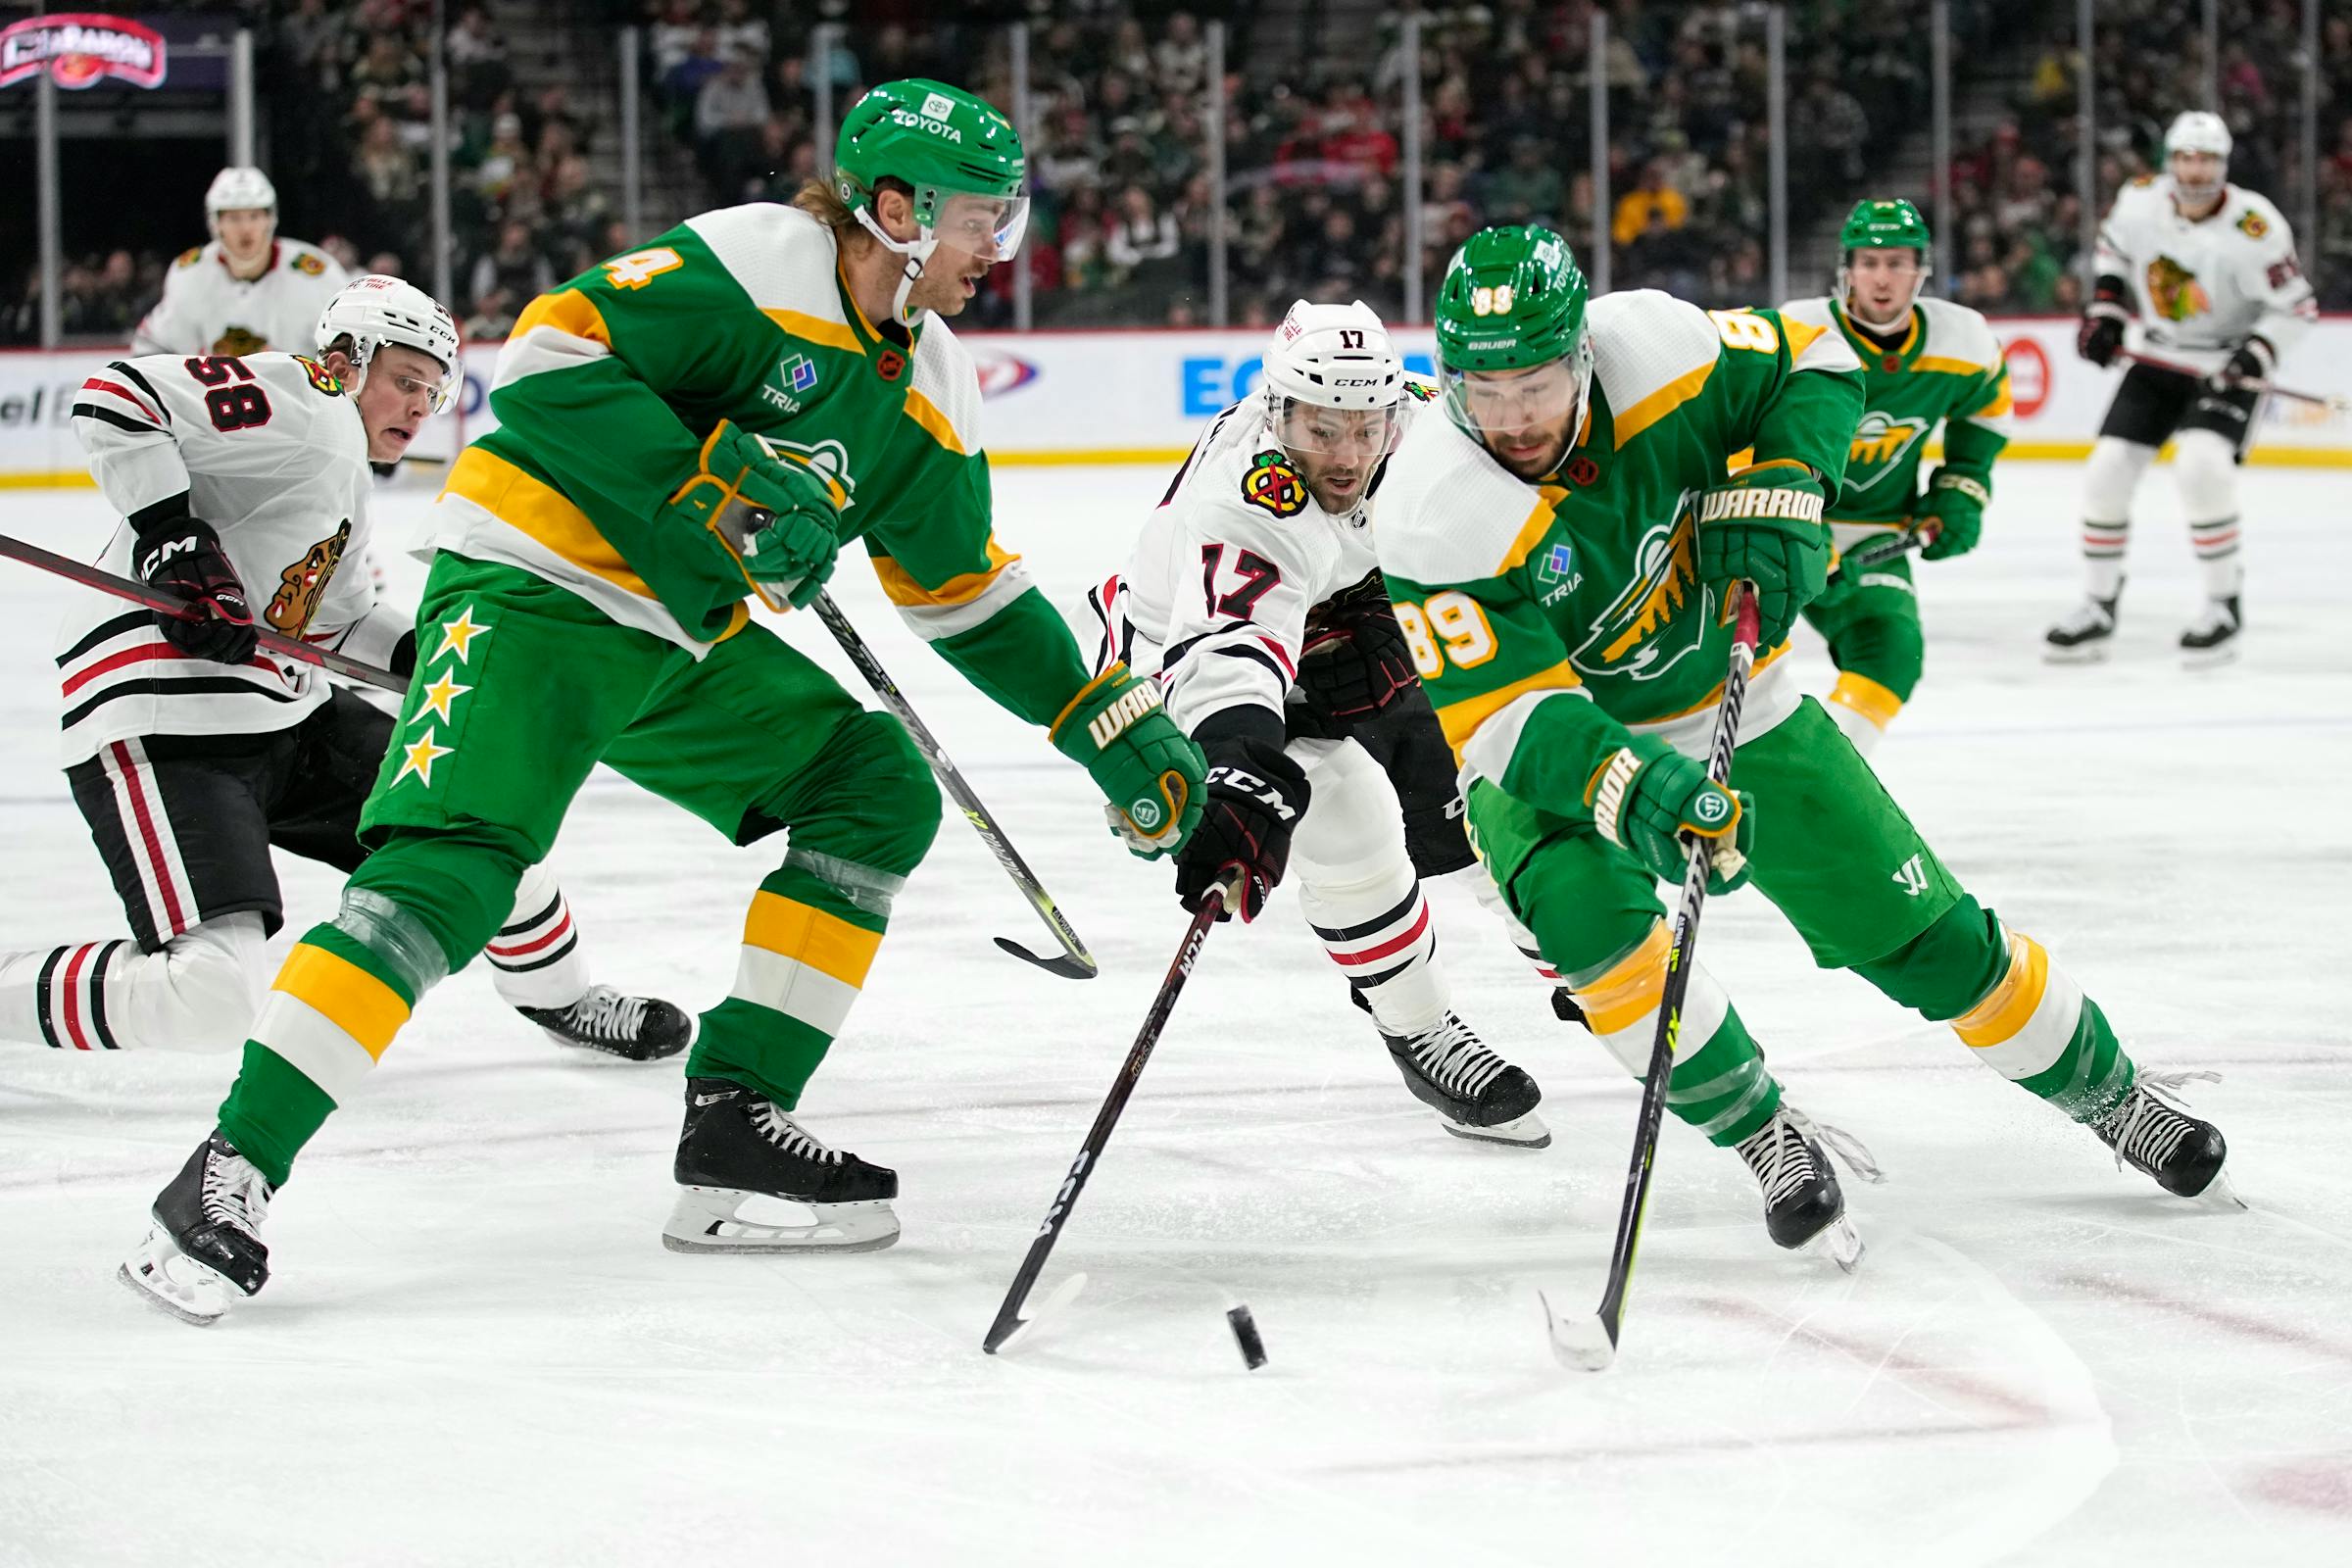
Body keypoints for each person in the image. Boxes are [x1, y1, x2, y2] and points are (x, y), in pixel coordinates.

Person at [120, 79, 1207, 1325]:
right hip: (533, 583)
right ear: (896, 210)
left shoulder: (932, 384)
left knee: (874, 783)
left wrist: (1106, 724)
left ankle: (736, 1120)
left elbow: (962, 590)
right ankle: (220, 1175)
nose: (998, 250)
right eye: (980, 220)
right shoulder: (764, 263)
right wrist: (718, 491)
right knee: (451, 875)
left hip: (676, 637)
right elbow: (548, 360)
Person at [1371, 224, 2234, 1265]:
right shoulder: (1429, 506)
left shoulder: (1660, 347)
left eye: (1537, 386)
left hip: (1739, 703)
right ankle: (1764, 1133)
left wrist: (1787, 480)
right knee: (1601, 939)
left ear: (1583, 355)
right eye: (1483, 389)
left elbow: (1819, 356)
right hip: (1553, 759)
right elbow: (1511, 717)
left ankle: (2112, 1092)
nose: (1510, 419)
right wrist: (1641, 792)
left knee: (1929, 937)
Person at [2, 275, 686, 1066]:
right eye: (405, 380)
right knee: (208, 995)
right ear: (348, 359)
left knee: (478, 831)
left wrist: (448, 661)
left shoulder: (338, 475)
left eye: (432, 392)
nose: (420, 407)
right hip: (169, 714)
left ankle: (562, 997)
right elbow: (118, 396)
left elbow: (338, 620)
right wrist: (174, 541)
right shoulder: (308, 397)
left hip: (289, 717)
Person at [1090, 299, 1554, 1148]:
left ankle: (1580, 950)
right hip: (1177, 649)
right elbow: (1228, 650)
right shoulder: (1249, 492)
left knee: (1477, 769)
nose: (1345, 457)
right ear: (1279, 415)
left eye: (1363, 430)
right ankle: (1417, 1025)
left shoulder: (1423, 425)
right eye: (1321, 431)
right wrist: (1237, 767)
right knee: (1344, 812)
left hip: (1340, 610)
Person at [2047, 111, 2317, 664]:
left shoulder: (2255, 227)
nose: (2196, 172)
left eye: (2207, 160)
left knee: (2202, 468)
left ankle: (2223, 602)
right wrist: (2106, 312)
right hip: (2160, 352)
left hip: (2227, 361)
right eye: (2186, 159)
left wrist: (2255, 354)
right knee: (2106, 471)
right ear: (2171, 162)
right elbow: (2113, 255)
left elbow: (2297, 307)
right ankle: (2099, 603)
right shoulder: (2139, 199)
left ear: (2224, 164)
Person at [1781, 199, 2011, 755]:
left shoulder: (1963, 342)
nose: (1883, 278)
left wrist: (1961, 490)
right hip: (1775, 524)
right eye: (1869, 262)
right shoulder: (1797, 331)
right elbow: (1735, 431)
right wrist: (1789, 521)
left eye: (1898, 263)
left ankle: (1825, 781)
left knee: (1891, 652)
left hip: (1877, 531)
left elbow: (1985, 415)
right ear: (1847, 270)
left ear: (1921, 270)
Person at [131, 168, 352, 358]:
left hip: (299, 404)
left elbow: (350, 344)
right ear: (215, 223)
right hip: (211, 404)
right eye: (234, 218)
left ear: (270, 219)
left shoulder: (316, 274)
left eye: (254, 216)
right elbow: (151, 348)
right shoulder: (190, 273)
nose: (245, 229)